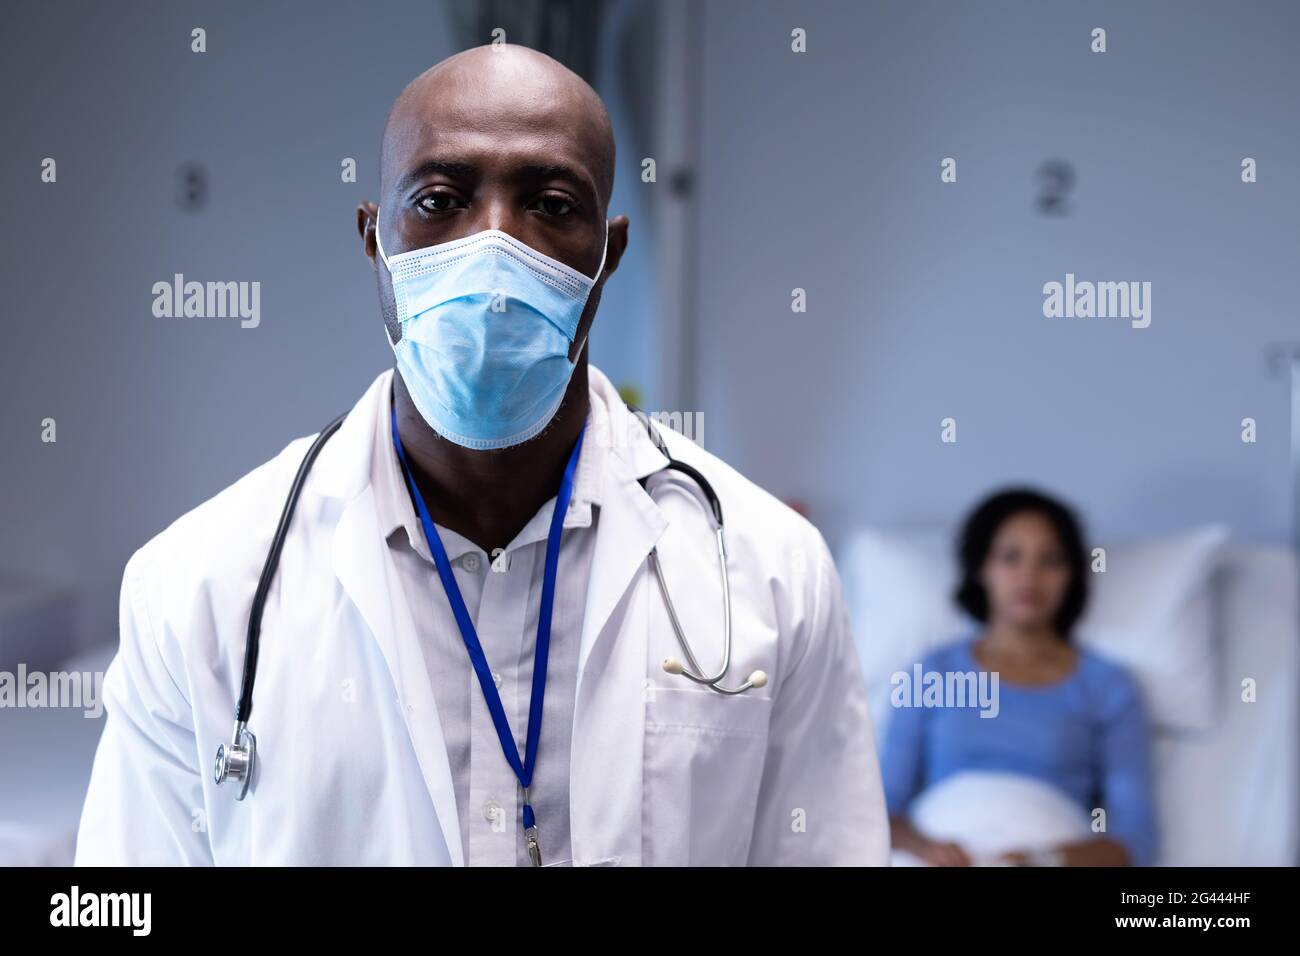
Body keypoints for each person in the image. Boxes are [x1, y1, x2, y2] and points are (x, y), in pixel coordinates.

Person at [73, 45, 888, 866]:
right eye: (440, 199)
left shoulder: (770, 570)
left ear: (607, 256)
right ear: (375, 243)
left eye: (550, 202)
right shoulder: (201, 586)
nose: (495, 251)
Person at [882, 489, 1158, 866]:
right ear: (982, 568)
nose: (1030, 576)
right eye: (1011, 557)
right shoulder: (934, 673)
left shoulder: (1107, 687)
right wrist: (926, 849)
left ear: (1071, 575)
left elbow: (1134, 838)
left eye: (1051, 560)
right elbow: (881, 811)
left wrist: (1042, 860)